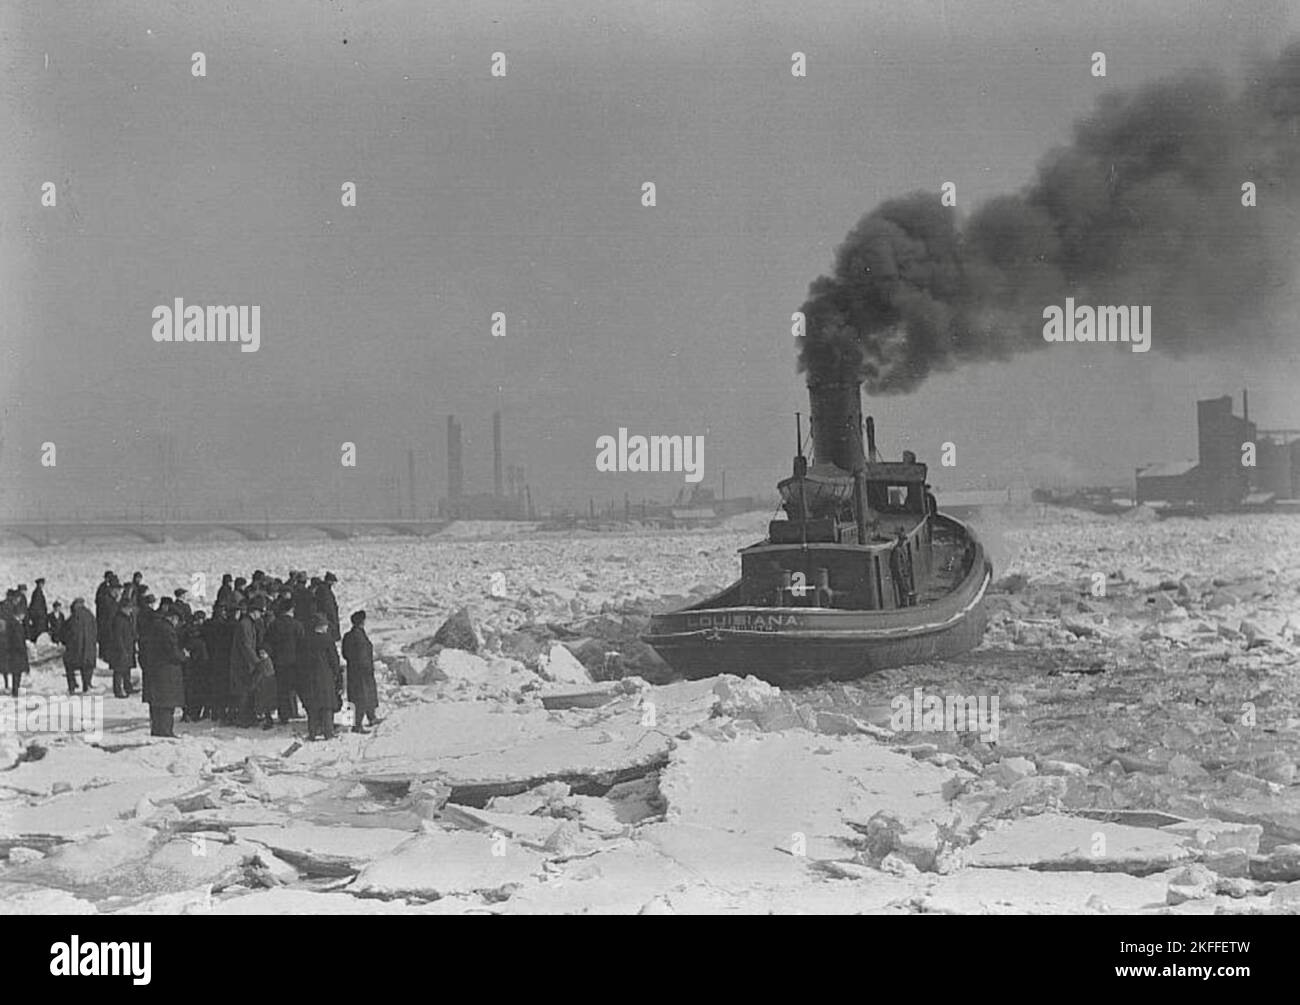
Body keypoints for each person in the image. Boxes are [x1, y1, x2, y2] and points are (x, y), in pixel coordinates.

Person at [147, 607, 187, 737]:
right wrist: (184, 655)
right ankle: (165, 731)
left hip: (156, 669)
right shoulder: (168, 630)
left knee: (158, 704)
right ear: (173, 618)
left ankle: (157, 730)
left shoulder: (156, 627)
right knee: (167, 704)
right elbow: (172, 652)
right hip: (167, 672)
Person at [300, 612, 339, 740]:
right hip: (325, 675)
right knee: (327, 705)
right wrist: (336, 672)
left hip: (309, 676)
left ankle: (312, 732)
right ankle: (328, 732)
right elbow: (333, 659)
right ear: (321, 626)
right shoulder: (327, 640)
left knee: (313, 706)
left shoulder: (306, 640)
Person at [341, 610, 381, 734]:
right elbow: (363, 654)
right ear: (362, 622)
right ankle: (357, 725)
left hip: (354, 669)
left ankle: (368, 718)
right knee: (362, 697)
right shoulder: (359, 636)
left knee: (355, 696)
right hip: (363, 671)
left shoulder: (348, 635)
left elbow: (345, 653)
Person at [265, 600, 304, 724]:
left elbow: (268, 643)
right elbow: (302, 644)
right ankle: (295, 711)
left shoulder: (274, 625)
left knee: (282, 690)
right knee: (296, 688)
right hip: (295, 662)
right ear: (291, 610)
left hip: (279, 663)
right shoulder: (297, 625)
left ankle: (284, 715)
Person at [229, 596, 266, 727]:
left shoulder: (248, 623)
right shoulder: (245, 624)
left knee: (249, 691)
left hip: (246, 663)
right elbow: (246, 645)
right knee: (245, 691)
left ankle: (248, 717)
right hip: (243, 664)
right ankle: (243, 719)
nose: (260, 615)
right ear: (254, 611)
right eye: (260, 612)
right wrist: (256, 662)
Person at [61, 597, 98, 694]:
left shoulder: (73, 617)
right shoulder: (90, 615)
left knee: (69, 664)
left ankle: (72, 686)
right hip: (89, 648)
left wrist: (65, 642)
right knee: (86, 667)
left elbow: (65, 632)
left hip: (75, 648)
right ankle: (86, 685)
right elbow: (95, 631)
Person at [108, 599, 137, 698]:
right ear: (123, 608)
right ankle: (117, 690)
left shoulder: (127, 618)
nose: (131, 610)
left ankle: (128, 687)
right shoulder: (119, 619)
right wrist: (122, 649)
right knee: (119, 670)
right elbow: (118, 636)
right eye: (129, 608)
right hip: (120, 648)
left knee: (127, 668)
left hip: (128, 646)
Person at [2, 592, 29, 696]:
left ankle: (14, 689)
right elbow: (18, 640)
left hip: (13, 652)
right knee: (16, 672)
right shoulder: (16, 625)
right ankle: (15, 691)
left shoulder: (15, 624)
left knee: (15, 672)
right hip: (16, 653)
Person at [315, 572, 341, 642]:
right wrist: (333, 621)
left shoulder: (323, 589)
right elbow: (329, 608)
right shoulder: (325, 591)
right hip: (327, 619)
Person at [26, 578, 48, 642]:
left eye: (42, 584)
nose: (41, 585)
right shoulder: (37, 593)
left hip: (39, 615)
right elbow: (35, 605)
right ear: (38, 584)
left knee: (38, 630)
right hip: (38, 616)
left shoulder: (39, 592)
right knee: (38, 630)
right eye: (40, 584)